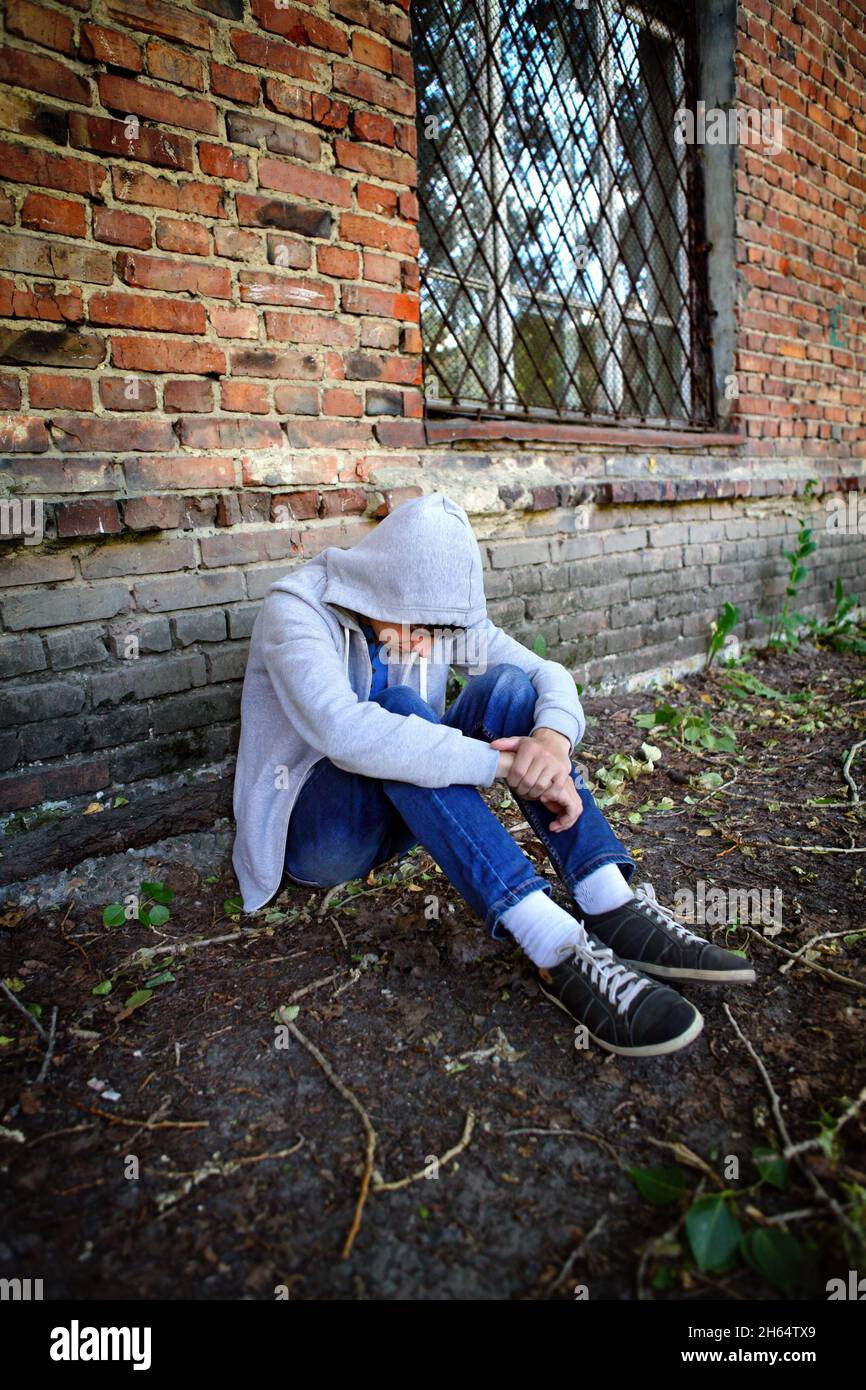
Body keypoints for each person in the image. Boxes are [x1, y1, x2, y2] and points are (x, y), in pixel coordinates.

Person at [232, 493, 754, 1058]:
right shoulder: (296, 608)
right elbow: (347, 733)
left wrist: (550, 743)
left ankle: (609, 900)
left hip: (410, 815)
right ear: (380, 583)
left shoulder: (433, 616)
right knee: (401, 713)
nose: (426, 645)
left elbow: (544, 672)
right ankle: (552, 944)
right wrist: (503, 764)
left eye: (437, 633)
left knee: (509, 689)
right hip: (322, 837)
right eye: (417, 629)